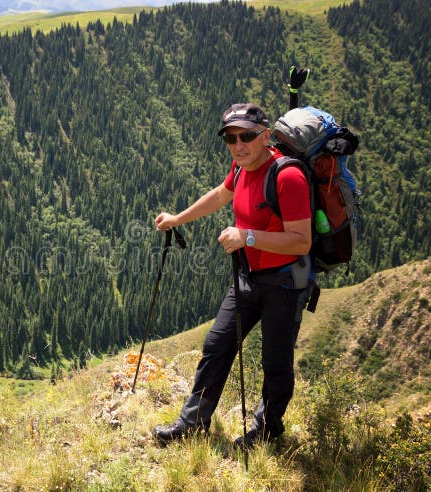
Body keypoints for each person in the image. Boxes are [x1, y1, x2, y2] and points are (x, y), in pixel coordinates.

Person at [152, 103, 314, 449]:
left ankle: (267, 432)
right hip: (248, 276)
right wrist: (178, 219)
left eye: (247, 136)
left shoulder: (289, 177)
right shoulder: (241, 168)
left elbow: (302, 241)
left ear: (266, 136)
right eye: (230, 137)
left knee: (275, 361)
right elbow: (221, 195)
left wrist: (247, 236)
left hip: (284, 283)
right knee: (217, 345)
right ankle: (192, 424)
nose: (238, 145)